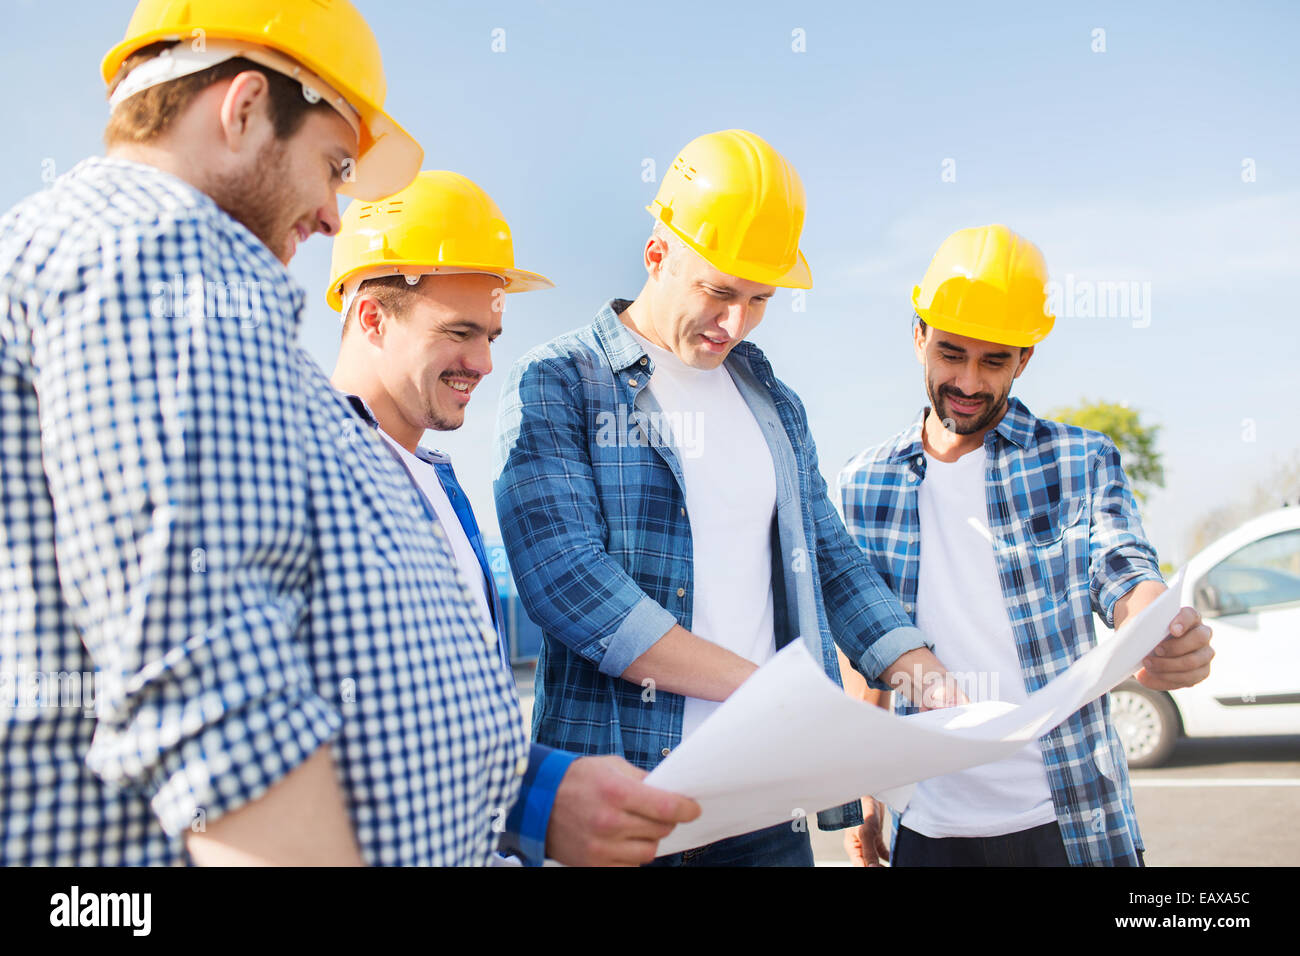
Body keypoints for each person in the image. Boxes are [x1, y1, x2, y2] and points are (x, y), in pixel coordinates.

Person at [2, 0, 566, 866]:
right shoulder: (165, 247)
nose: (337, 217)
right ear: (243, 109)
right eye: (334, 166)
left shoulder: (101, 255)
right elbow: (217, 688)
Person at [493, 129, 960, 866]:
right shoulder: (561, 382)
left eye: (758, 299)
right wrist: (771, 692)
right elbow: (566, 582)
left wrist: (912, 663)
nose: (734, 323)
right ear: (657, 256)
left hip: (765, 806)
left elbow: (828, 553)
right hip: (628, 800)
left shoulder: (770, 398)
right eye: (718, 292)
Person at [325, 170, 699, 865]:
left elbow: (444, 731)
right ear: (371, 317)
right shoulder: (302, 471)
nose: (485, 362)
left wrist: (544, 794)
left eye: (492, 334)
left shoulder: (440, 487)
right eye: (459, 333)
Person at [837, 224, 1214, 867]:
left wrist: (1156, 630)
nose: (968, 382)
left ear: (1026, 358)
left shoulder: (1078, 459)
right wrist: (865, 791)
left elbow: (1123, 568)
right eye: (951, 353)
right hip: (928, 826)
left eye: (994, 361)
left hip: (1067, 818)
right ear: (919, 335)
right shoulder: (865, 481)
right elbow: (866, 642)